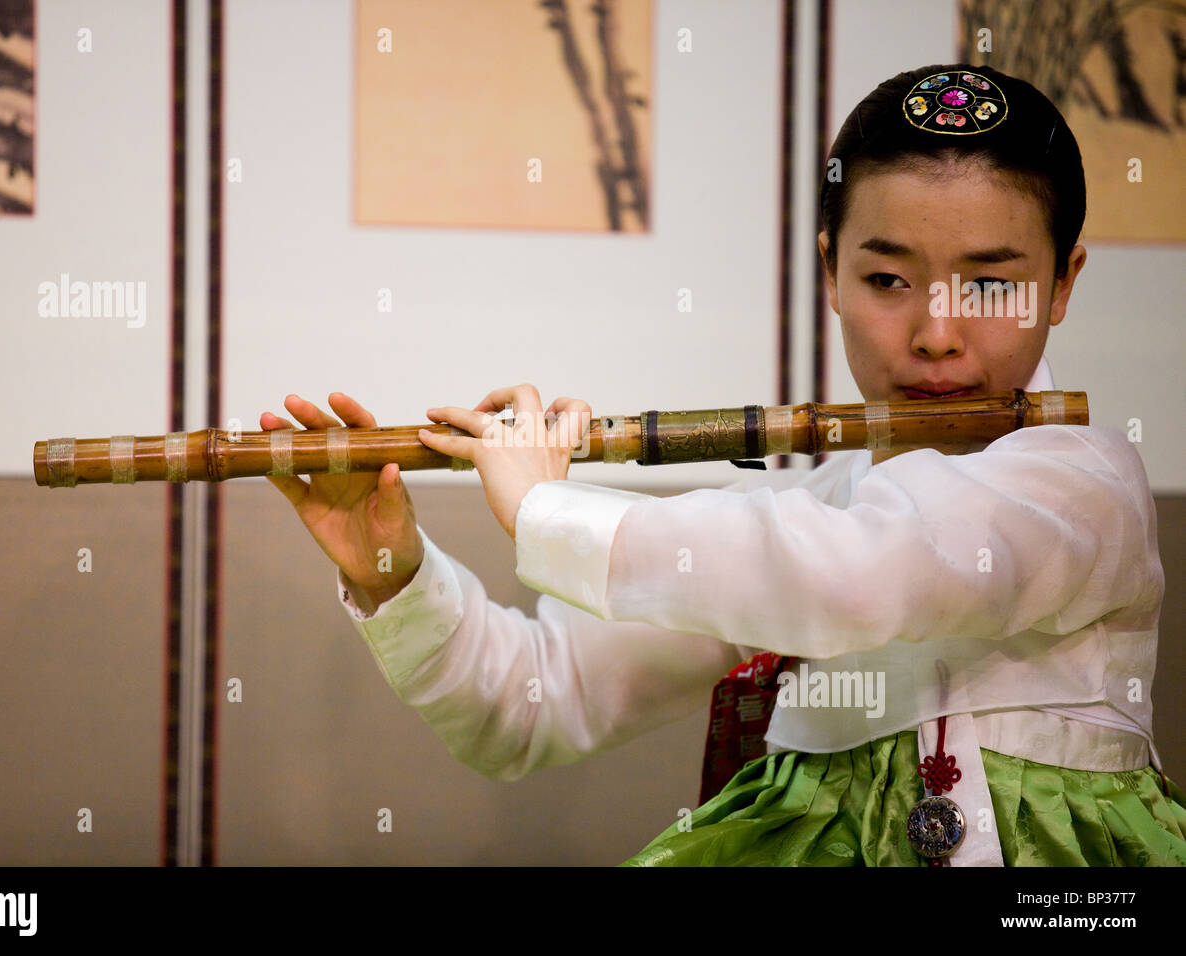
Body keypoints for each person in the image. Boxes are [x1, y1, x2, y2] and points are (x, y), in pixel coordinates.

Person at [260, 63, 1186, 866]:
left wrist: (547, 507)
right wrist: (390, 564)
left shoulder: (1085, 485)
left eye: (991, 282)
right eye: (887, 280)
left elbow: (862, 574)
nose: (936, 334)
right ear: (831, 274)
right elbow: (532, 703)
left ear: (1062, 283)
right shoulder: (802, 516)